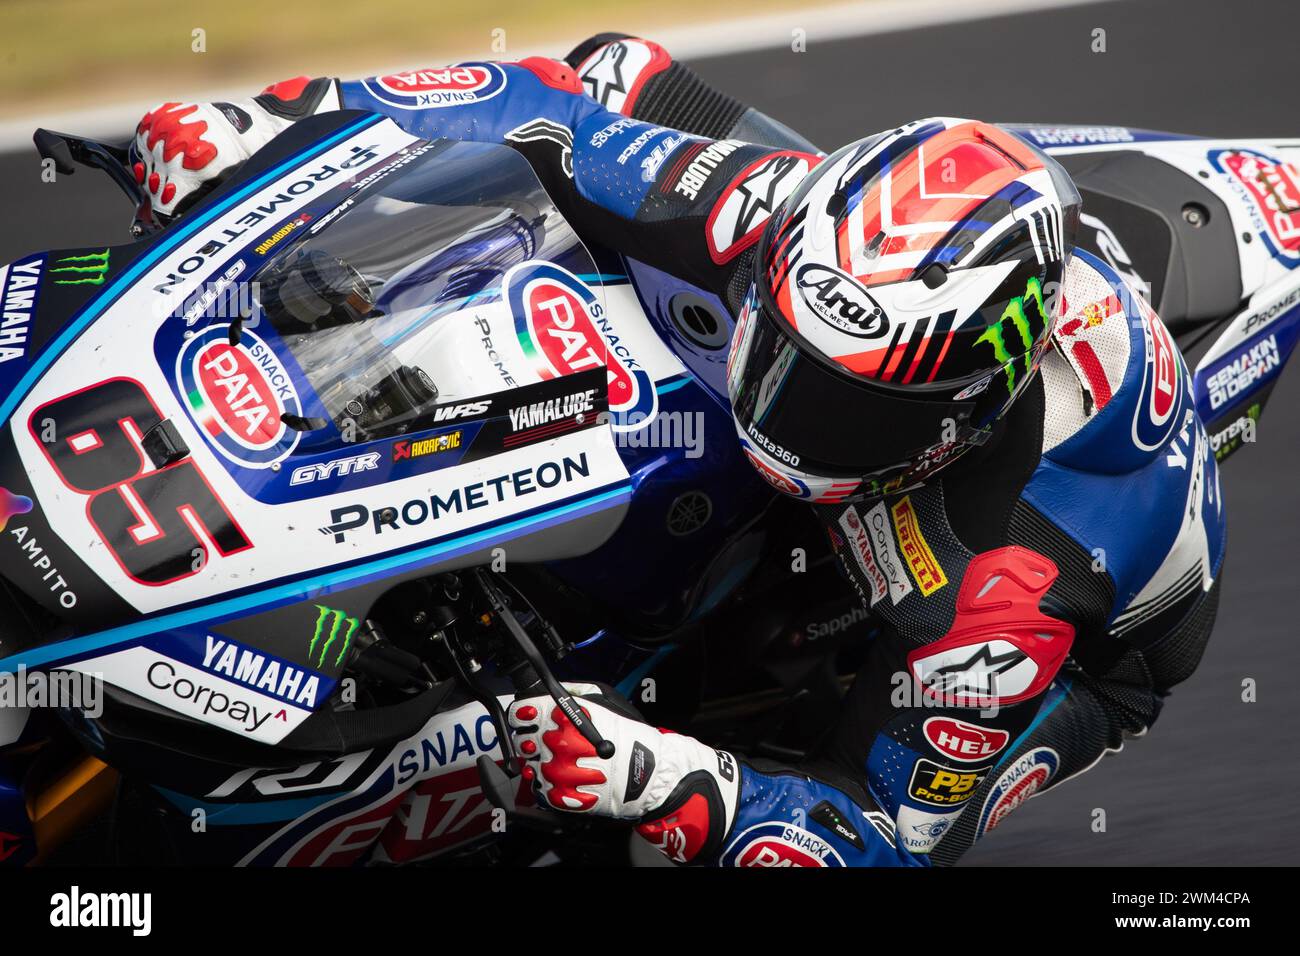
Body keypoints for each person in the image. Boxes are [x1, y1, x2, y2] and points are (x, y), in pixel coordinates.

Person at [131, 34, 1225, 866]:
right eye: (782, 346)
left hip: (1076, 649)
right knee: (615, 69)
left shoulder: (1004, 590)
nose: (786, 409)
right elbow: (534, 106)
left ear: (961, 406)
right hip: (906, 319)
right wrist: (282, 122)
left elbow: (888, 831)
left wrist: (674, 780)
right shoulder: (764, 219)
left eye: (840, 405)